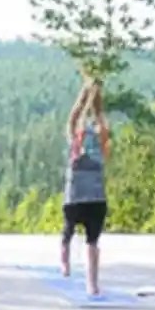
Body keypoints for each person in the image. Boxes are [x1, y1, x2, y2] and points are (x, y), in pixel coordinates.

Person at [59, 77, 112, 294]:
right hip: (76, 195)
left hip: (95, 195)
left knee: (93, 240)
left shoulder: (102, 138)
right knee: (68, 231)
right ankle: (65, 261)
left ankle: (92, 283)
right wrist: (85, 94)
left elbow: (100, 120)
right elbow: (75, 117)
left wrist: (97, 96)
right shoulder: (74, 139)